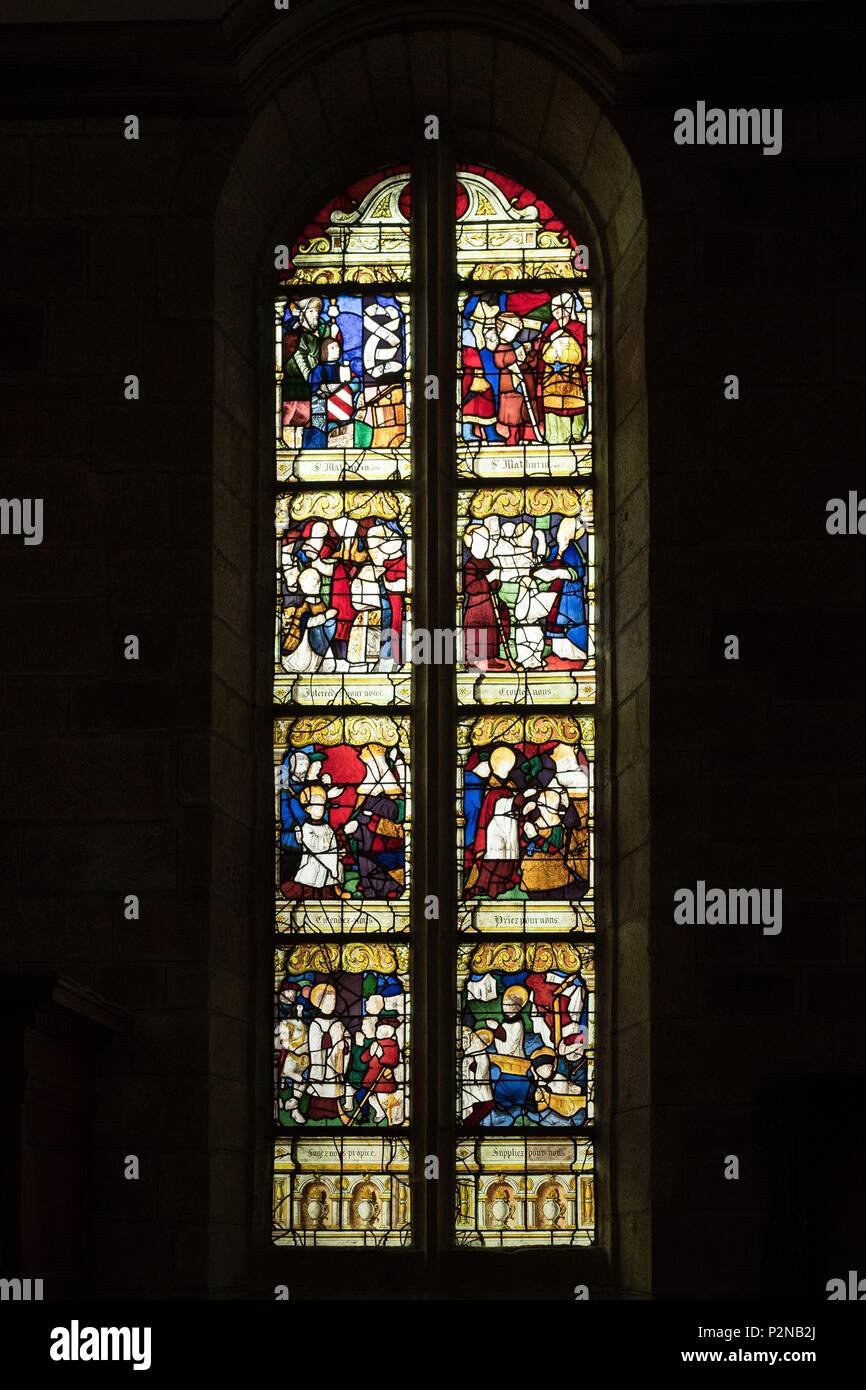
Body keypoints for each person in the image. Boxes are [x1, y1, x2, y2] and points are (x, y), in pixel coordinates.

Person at [538, 292, 588, 444]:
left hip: (572, 377)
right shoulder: (549, 330)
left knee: (576, 405)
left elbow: (585, 351)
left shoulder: (579, 328)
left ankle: (577, 435)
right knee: (553, 408)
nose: (560, 313)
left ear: (570, 308)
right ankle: (555, 439)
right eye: (556, 309)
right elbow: (541, 354)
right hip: (551, 378)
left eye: (564, 308)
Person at [305, 983, 348, 1123]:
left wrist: (345, 1045)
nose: (332, 1003)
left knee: (334, 1087)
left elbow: (346, 1037)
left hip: (336, 1062)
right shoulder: (316, 1023)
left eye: (334, 1000)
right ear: (320, 1003)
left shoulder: (338, 1021)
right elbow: (314, 1046)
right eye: (329, 1000)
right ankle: (317, 1112)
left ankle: (335, 1111)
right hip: (323, 1064)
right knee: (321, 1089)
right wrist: (329, 1041)